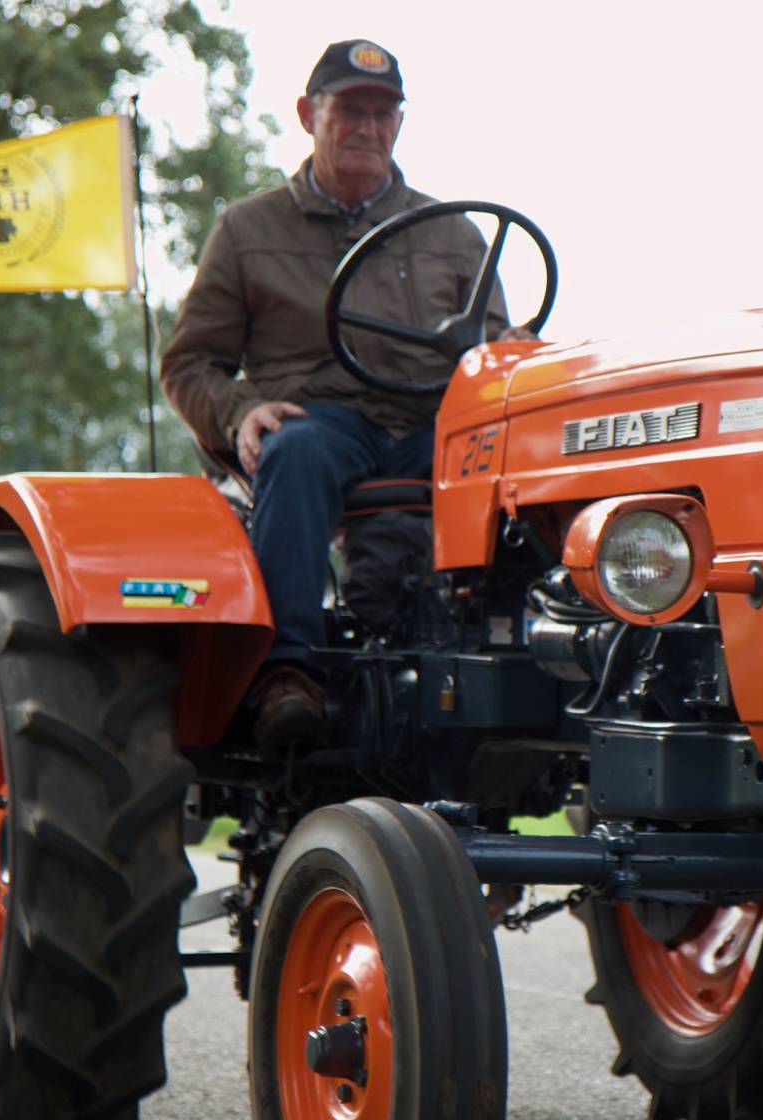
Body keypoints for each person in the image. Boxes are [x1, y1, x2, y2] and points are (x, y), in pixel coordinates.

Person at [161, 38, 527, 752]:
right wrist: (241, 411)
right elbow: (191, 363)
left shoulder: (451, 233)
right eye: (350, 108)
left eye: (383, 111)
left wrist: (511, 354)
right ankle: (285, 673)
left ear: (399, 122)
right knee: (293, 451)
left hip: (431, 428)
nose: (368, 126)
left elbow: (489, 351)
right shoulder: (248, 229)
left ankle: (539, 653)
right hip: (324, 421)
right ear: (309, 114)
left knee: (525, 466)